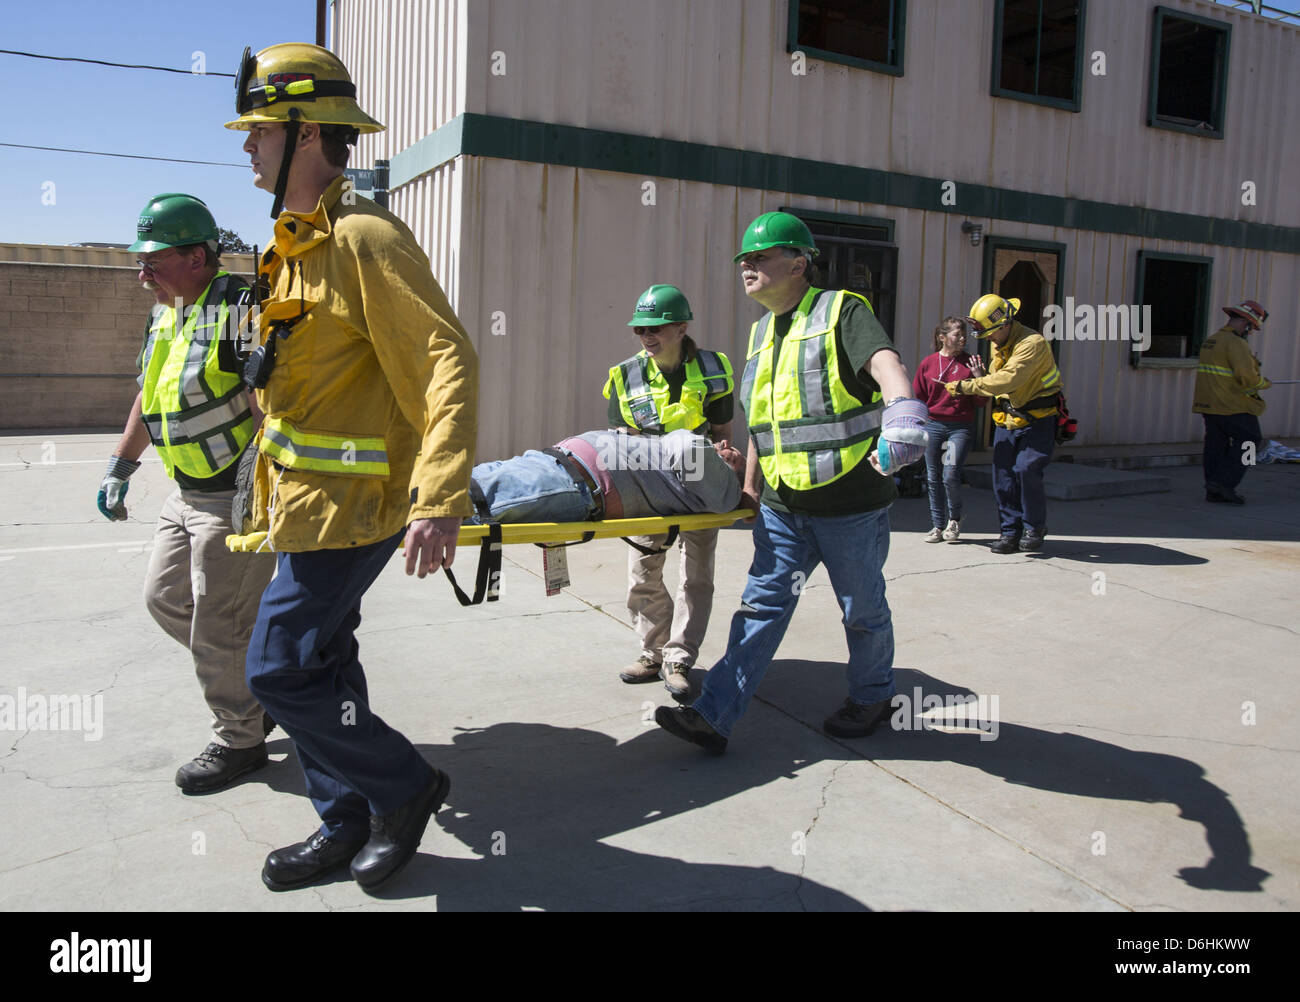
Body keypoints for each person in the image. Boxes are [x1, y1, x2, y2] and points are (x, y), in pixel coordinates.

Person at [226, 42, 478, 894]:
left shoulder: (364, 237)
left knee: (277, 669)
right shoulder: (289, 248)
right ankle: (344, 818)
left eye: (258, 131)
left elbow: (448, 357)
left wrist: (439, 496)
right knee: (323, 663)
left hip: (358, 508)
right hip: (302, 506)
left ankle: (406, 788)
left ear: (304, 134)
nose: (246, 147)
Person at [654, 211, 928, 755]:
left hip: (850, 502)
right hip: (783, 506)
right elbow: (762, 424)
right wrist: (752, 490)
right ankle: (715, 716)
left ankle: (873, 696)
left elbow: (885, 362)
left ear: (798, 263)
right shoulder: (759, 333)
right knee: (760, 606)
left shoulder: (841, 311)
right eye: (743, 261)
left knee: (862, 611)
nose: (746, 267)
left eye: (758, 258)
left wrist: (903, 408)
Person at [97, 193, 276, 794]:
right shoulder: (166, 315)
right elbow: (151, 396)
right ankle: (260, 692)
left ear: (198, 256)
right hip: (185, 494)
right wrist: (121, 466)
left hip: (233, 498)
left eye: (155, 259)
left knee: (218, 629)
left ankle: (241, 739)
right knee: (165, 600)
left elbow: (269, 407)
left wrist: (272, 492)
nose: (141, 271)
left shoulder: (240, 310)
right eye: (140, 259)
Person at [603, 285, 735, 701]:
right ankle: (652, 652)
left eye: (656, 327)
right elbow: (620, 439)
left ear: (681, 327)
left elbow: (722, 433)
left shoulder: (713, 368)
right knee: (643, 573)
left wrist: (727, 462)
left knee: (696, 577)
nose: (646, 336)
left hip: (698, 480)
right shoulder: (625, 375)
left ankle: (679, 658)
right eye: (640, 328)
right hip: (648, 481)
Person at [945, 294, 1063, 554]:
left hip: (1037, 420)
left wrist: (966, 386)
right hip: (1006, 420)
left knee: (1026, 470)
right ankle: (1010, 532)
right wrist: (983, 378)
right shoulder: (998, 341)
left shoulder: (1032, 343)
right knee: (1002, 478)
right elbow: (997, 378)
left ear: (1005, 324)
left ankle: (1034, 527)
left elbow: (1008, 380)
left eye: (989, 333)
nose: (987, 339)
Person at [469, 429, 744, 524]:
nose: (725, 446)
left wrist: (726, 472)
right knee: (450, 482)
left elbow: (686, 448)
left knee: (460, 505)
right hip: (550, 461)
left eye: (732, 455)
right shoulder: (690, 462)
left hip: (573, 482)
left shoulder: (723, 490)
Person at [912, 316, 984, 542]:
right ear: (942, 337)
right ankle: (937, 525)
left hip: (959, 427)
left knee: (950, 474)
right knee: (933, 477)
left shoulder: (970, 362)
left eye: (964, 335)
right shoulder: (929, 363)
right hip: (934, 425)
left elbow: (981, 402)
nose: (962, 339)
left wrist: (980, 378)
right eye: (957, 334)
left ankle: (955, 519)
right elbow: (920, 396)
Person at [1193, 300, 1270, 504]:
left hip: (1209, 404)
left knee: (1215, 445)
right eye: (1251, 327)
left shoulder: (1213, 339)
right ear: (1245, 323)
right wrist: (1265, 383)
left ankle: (1213, 488)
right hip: (1231, 405)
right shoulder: (1236, 343)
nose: (1250, 332)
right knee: (1251, 442)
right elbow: (1247, 377)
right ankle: (1225, 484)